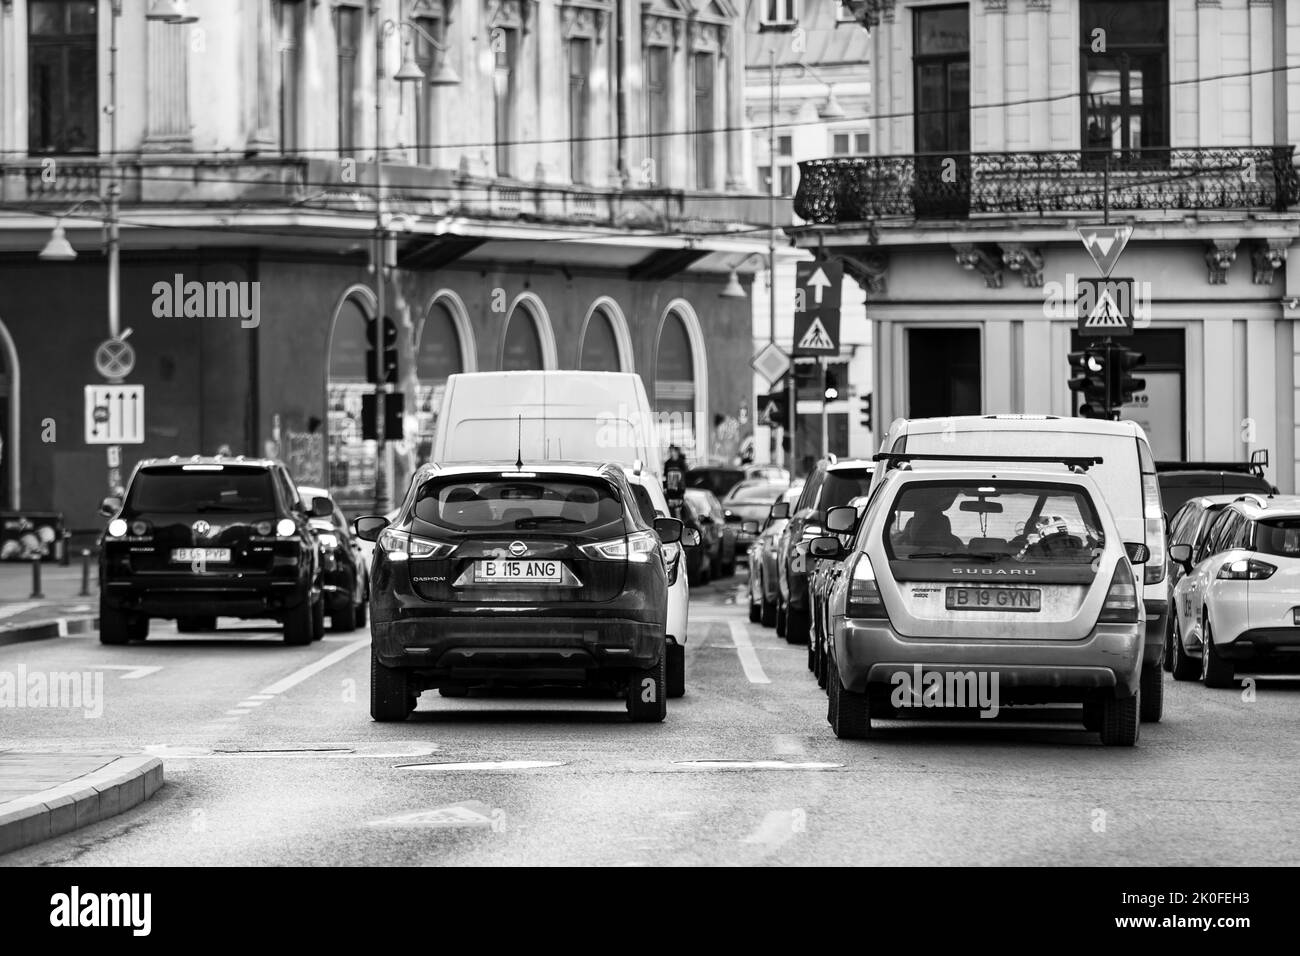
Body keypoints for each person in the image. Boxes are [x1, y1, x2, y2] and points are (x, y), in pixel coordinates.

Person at [663, 445, 687, 515]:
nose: (671, 453)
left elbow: (684, 476)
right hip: (670, 490)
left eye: (672, 451)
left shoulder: (681, 462)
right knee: (671, 510)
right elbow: (665, 476)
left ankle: (679, 524)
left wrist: (682, 488)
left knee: (678, 510)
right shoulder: (667, 463)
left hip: (679, 490)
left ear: (676, 452)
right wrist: (665, 487)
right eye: (670, 451)